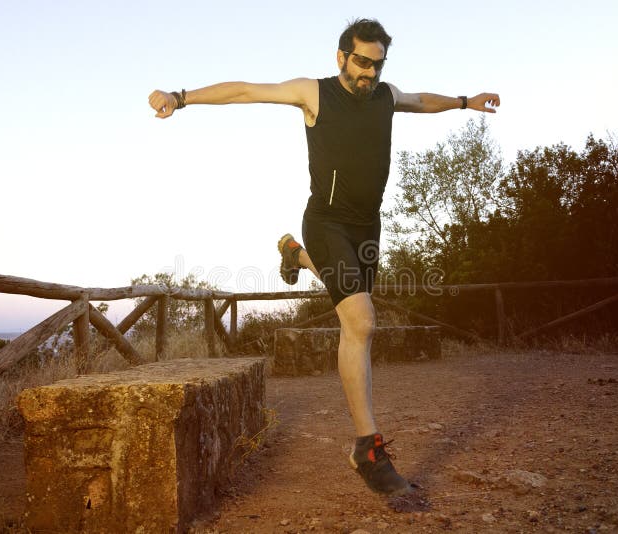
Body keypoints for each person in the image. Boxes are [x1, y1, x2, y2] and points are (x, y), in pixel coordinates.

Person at [149, 18, 500, 496]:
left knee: (352, 310)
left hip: (367, 227)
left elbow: (420, 101)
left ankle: (295, 254)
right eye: (361, 62)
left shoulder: (385, 95)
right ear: (341, 57)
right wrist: (181, 96)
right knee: (361, 321)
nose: (369, 73)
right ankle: (366, 448)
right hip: (327, 222)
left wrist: (465, 103)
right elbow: (247, 91)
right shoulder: (313, 93)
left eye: (377, 65)